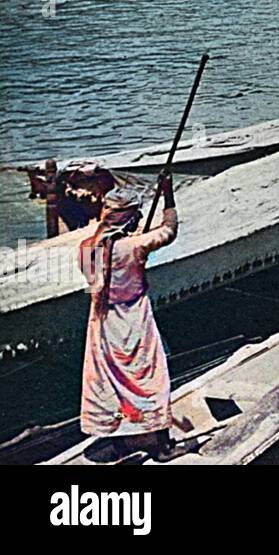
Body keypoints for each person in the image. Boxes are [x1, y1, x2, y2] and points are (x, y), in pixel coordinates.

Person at [78, 178, 178, 457]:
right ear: (129, 219)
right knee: (150, 377)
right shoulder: (134, 246)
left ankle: (121, 441)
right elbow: (168, 230)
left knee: (111, 381)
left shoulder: (86, 247)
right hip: (134, 320)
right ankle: (161, 446)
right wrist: (168, 196)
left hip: (103, 325)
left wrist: (134, 241)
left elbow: (103, 267)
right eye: (136, 217)